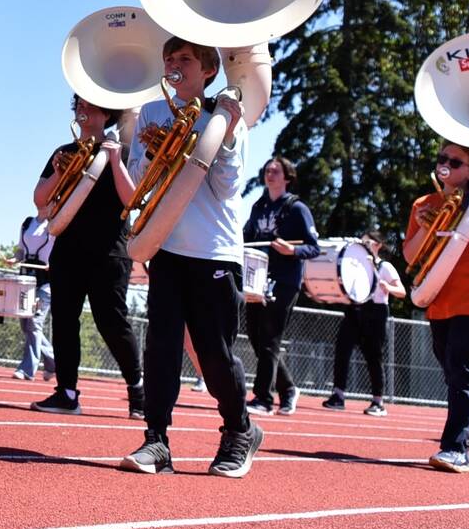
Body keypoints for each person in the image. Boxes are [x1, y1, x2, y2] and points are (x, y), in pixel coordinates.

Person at [118, 37, 257, 478]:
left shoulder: (226, 114)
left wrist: (227, 138)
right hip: (166, 245)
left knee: (214, 353)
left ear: (208, 70)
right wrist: (153, 152)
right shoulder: (154, 113)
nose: (173, 66)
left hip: (213, 249)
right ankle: (156, 440)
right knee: (159, 347)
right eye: (168, 59)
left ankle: (239, 430)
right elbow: (142, 180)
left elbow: (226, 190)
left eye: (183, 59)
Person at [29, 97, 146, 418]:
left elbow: (132, 200)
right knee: (65, 320)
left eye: (90, 105)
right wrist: (57, 173)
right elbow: (39, 199)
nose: (82, 109)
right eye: (78, 103)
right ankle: (66, 393)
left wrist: (115, 160)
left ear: (107, 113)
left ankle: (138, 391)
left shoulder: (120, 150)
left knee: (112, 322)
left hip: (110, 253)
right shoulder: (63, 152)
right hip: (68, 249)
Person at [406, 145, 469, 472]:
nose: (445, 165)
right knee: (455, 374)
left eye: (455, 161)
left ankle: (455, 448)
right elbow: (411, 257)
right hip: (439, 299)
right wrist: (426, 226)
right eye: (442, 159)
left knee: (462, 371)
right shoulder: (424, 204)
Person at [242, 156, 319, 415]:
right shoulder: (258, 206)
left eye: (276, 171)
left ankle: (263, 398)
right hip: (258, 278)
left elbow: (314, 247)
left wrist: (291, 251)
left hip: (285, 280)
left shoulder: (297, 209)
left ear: (287, 177)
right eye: (267, 170)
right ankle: (288, 388)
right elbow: (246, 236)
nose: (270, 174)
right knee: (256, 336)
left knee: (271, 337)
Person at [323, 230, 403, 414]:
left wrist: (388, 287)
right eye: (363, 242)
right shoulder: (355, 265)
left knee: (374, 357)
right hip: (355, 309)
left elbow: (402, 291)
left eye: (368, 243)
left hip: (376, 312)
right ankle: (338, 395)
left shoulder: (385, 267)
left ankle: (378, 401)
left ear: (378, 246)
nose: (364, 245)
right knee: (342, 351)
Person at [13, 216, 55, 380]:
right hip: (27, 281)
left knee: (34, 323)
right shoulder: (28, 223)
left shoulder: (54, 224)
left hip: (45, 283)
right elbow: (20, 250)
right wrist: (14, 259)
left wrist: (53, 264)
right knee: (26, 325)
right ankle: (53, 361)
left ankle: (27, 370)